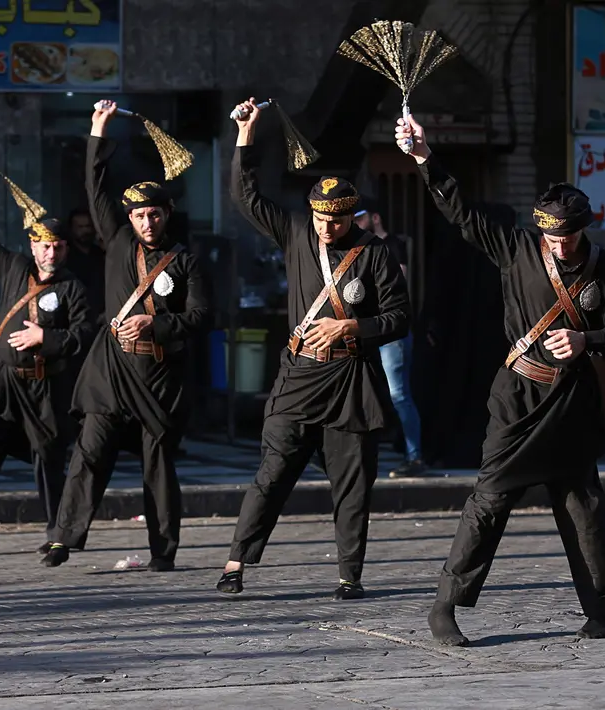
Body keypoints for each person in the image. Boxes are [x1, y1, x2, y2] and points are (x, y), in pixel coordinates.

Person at [395, 115, 605, 646]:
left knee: (585, 506)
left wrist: (588, 341)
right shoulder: (514, 249)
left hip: (573, 399)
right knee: (489, 500)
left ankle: (601, 611)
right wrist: (423, 157)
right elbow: (458, 211)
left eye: (566, 235)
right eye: (549, 235)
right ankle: (446, 607)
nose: (557, 244)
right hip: (518, 396)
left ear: (583, 229)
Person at [216, 98, 410, 600]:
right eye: (321, 218)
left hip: (351, 382)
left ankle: (350, 574)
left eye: (337, 219)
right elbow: (247, 196)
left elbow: (400, 316)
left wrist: (352, 330)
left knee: (351, 485)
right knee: (272, 472)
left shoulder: (376, 253)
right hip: (300, 374)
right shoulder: (298, 232)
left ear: (353, 215)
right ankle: (235, 563)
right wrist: (245, 136)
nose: (327, 227)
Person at [40, 100, 211, 569]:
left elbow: (200, 317)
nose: (147, 223)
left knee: (157, 467)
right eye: (138, 216)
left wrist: (155, 323)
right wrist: (97, 130)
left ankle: (164, 553)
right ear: (129, 218)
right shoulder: (115, 241)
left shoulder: (187, 261)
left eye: (154, 215)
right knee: (89, 453)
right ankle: (63, 537)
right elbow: (94, 185)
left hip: (157, 373)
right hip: (111, 369)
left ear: (167, 213)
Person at [0, 169, 93, 552]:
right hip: (3, 379)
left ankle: (56, 534)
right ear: (32, 246)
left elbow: (83, 335)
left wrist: (46, 337)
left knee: (49, 457)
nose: (51, 252)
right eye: (44, 245)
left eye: (58, 246)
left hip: (45, 385)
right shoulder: (13, 268)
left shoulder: (73, 288)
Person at [352, 205, 427, 479]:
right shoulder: (360, 247)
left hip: (389, 330)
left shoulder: (389, 246)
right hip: (368, 329)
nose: (356, 224)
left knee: (399, 394)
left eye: (360, 218)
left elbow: (397, 284)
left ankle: (414, 456)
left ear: (375, 217)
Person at [66, 208, 106, 325]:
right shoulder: (66, 257)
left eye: (88, 226)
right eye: (80, 227)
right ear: (71, 229)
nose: (85, 231)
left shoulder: (100, 254)